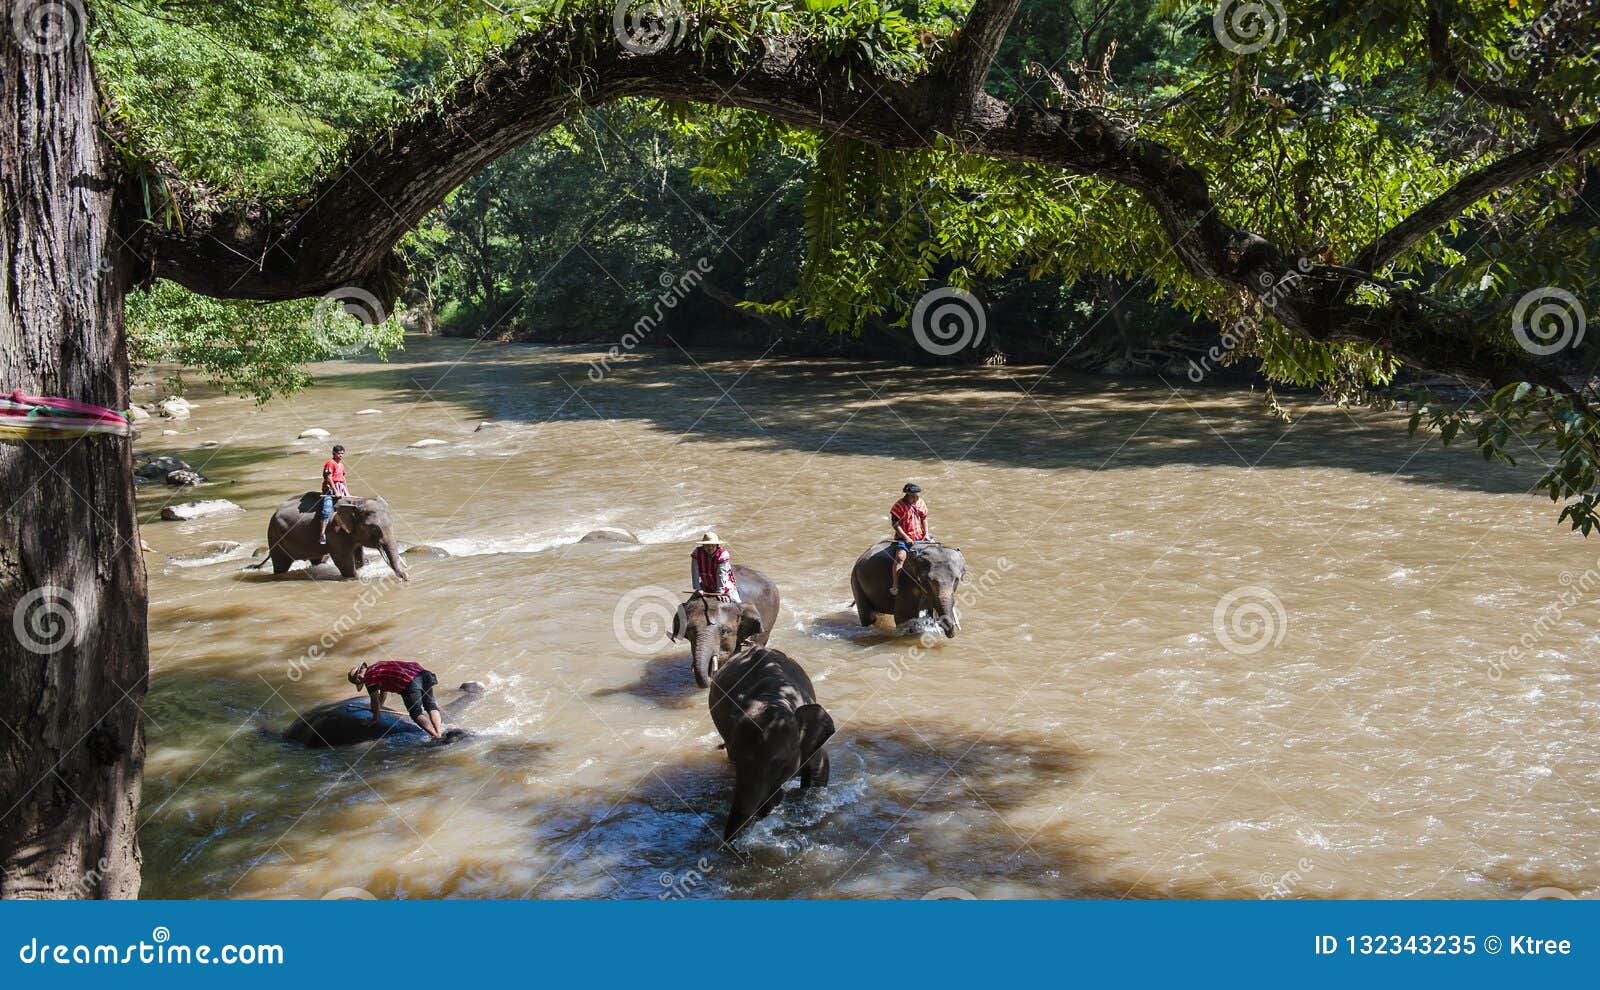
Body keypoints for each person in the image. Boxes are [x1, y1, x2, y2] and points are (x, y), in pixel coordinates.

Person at [347, 660, 444, 740]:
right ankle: (439, 731)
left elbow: (374, 700)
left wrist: (374, 718)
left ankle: (437, 737)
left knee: (416, 713)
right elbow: (383, 693)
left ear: (359, 678)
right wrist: (379, 708)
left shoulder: (368, 678)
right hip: (423, 673)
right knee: (430, 705)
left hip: (410, 681)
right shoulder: (378, 666)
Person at [889, 483, 930, 596]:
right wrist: (906, 537)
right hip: (904, 537)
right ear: (907, 495)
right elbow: (895, 524)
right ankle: (895, 585)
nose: (916, 498)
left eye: (917, 495)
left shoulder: (920, 502)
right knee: (900, 557)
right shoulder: (899, 506)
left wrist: (926, 533)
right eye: (913, 496)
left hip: (920, 536)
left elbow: (924, 518)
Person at [690, 531, 739, 602]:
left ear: (717, 545)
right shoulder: (697, 552)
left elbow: (721, 574)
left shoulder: (723, 555)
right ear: (703, 545)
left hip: (723, 586)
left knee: (737, 602)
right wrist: (698, 588)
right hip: (705, 584)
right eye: (707, 545)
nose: (710, 548)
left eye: (712, 545)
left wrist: (719, 592)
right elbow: (695, 571)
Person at [318, 444, 349, 545]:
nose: (341, 456)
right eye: (339, 454)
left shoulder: (341, 464)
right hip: (330, 490)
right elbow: (329, 478)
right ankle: (322, 534)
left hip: (341, 488)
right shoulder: (330, 463)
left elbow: (343, 478)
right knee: (326, 510)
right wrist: (335, 491)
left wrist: (346, 492)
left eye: (342, 454)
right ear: (334, 453)